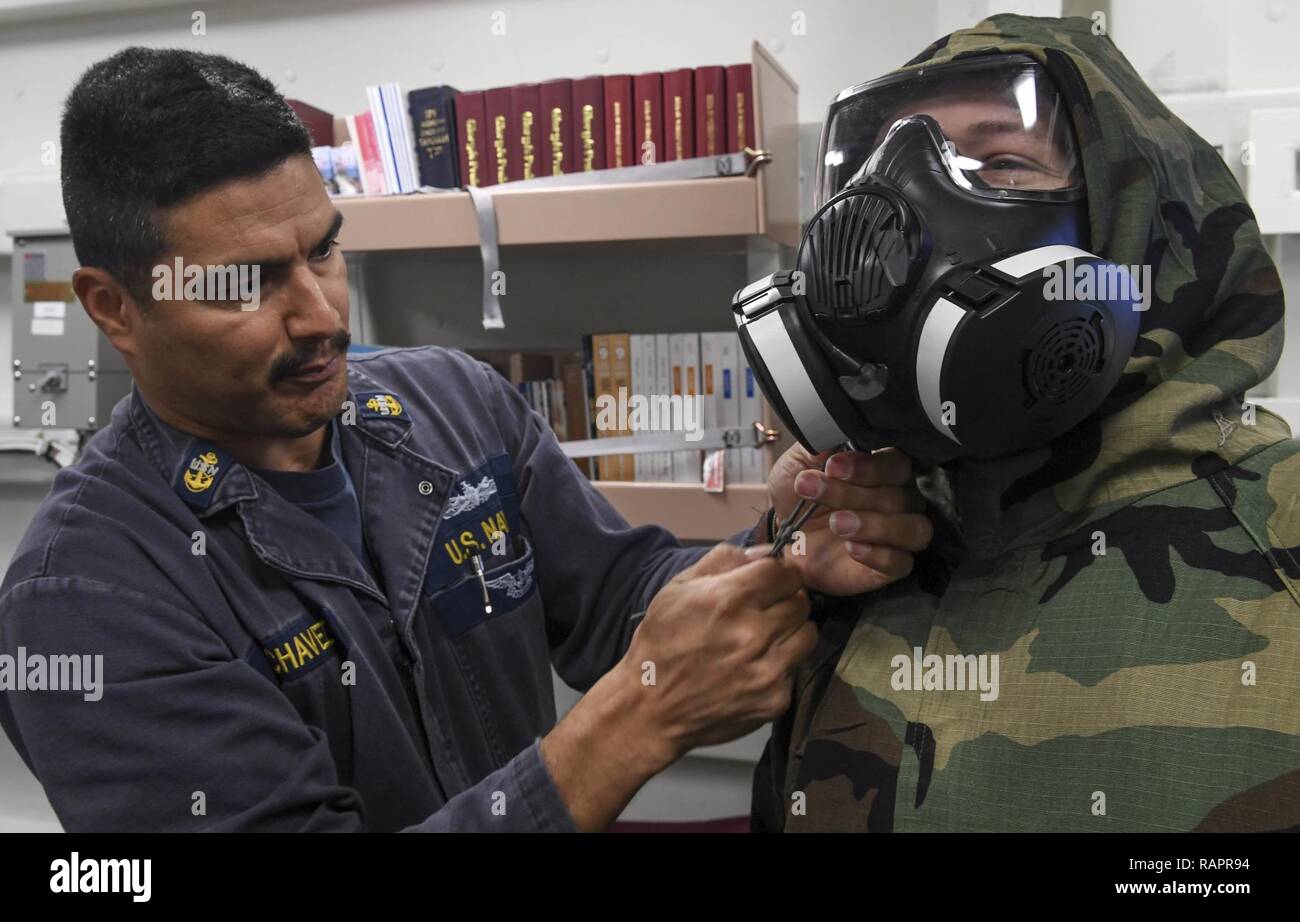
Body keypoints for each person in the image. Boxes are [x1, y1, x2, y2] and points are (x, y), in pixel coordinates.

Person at [0, 48, 935, 832]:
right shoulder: (80, 605)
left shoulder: (455, 406)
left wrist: (783, 552)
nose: (321, 315)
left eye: (323, 250)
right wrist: (629, 724)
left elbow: (618, 603)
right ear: (114, 307)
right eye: (246, 283)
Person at [752, 14, 1300, 832]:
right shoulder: (858, 551)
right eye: (876, 176)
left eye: (1000, 159)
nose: (903, 218)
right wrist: (781, 566)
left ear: (1133, 223)